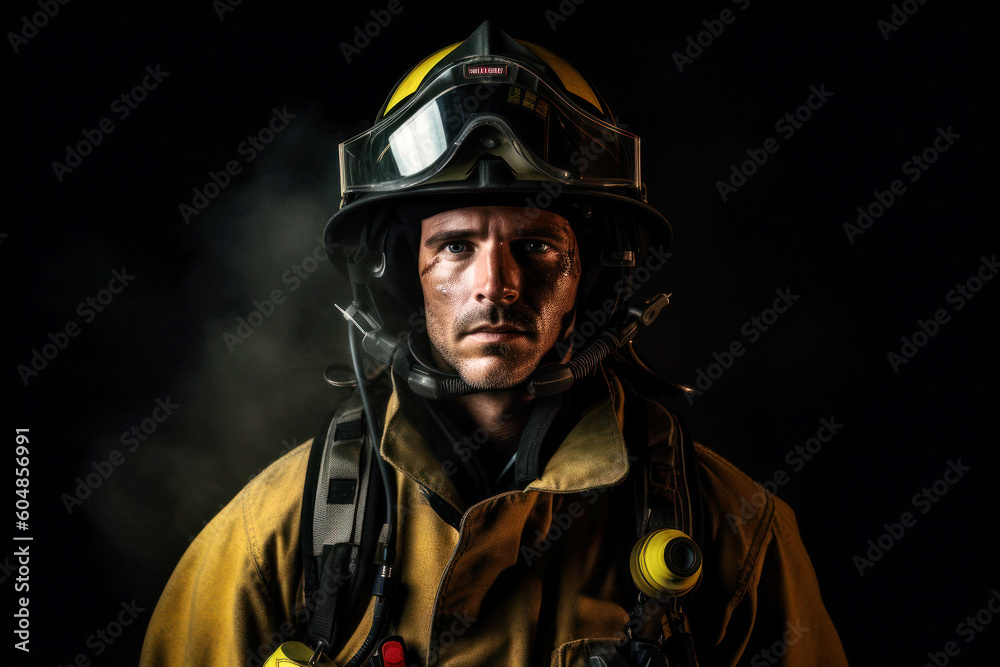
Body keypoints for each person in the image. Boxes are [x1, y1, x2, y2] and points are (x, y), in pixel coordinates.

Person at [140, 21, 849, 667]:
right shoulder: (280, 537)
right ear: (400, 274)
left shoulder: (732, 532)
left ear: (592, 276)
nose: (497, 285)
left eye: (537, 244)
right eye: (454, 245)